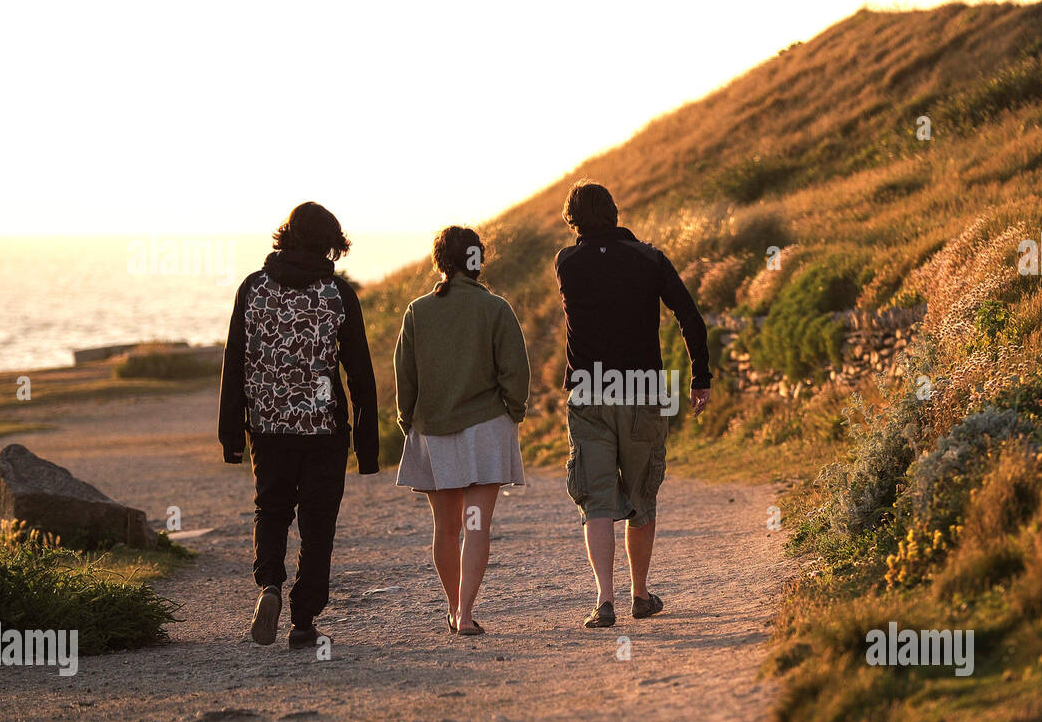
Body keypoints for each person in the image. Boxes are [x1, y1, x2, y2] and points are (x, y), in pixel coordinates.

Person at [218, 201, 379, 649]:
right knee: (317, 525)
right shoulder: (337, 295)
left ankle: (268, 585)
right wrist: (367, 447)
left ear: (285, 237)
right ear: (330, 244)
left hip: (267, 427)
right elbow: (360, 375)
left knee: (270, 510)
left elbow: (234, 362)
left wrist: (230, 432)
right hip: (323, 429)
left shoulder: (252, 289)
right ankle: (303, 621)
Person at [554, 180, 712, 628]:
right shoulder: (650, 259)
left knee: (598, 498)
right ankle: (640, 594)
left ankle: (604, 600)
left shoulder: (566, 262)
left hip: (588, 392)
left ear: (573, 220)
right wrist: (700, 377)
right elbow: (689, 315)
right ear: (616, 213)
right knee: (641, 495)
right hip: (642, 391)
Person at [394, 226, 530, 636]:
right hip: (486, 431)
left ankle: (452, 607)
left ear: (440, 263)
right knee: (475, 527)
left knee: (446, 529)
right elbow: (516, 371)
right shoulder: (496, 308)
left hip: (434, 431)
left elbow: (406, 377)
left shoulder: (418, 311)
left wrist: (409, 421)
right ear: (478, 261)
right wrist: (514, 413)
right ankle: (466, 613)